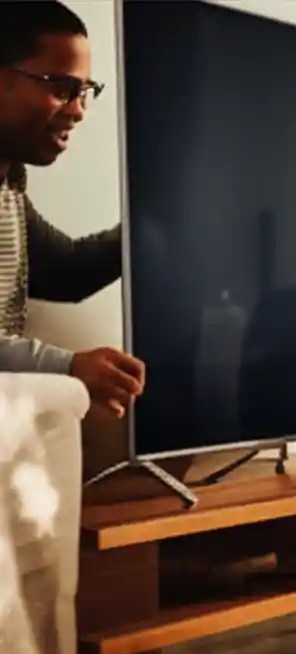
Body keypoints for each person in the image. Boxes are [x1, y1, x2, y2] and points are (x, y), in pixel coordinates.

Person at [0, 1, 144, 417]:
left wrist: (153, 223)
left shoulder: (9, 185)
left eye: (83, 92)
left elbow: (63, 272)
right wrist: (68, 366)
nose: (78, 110)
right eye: (60, 88)